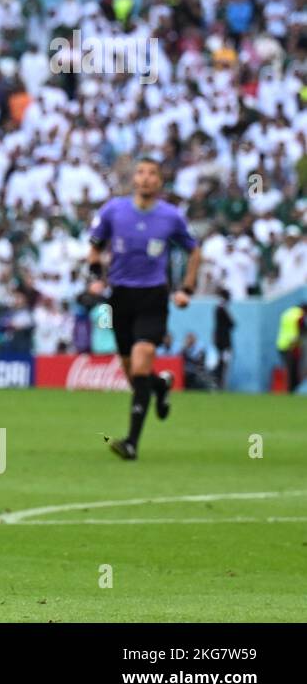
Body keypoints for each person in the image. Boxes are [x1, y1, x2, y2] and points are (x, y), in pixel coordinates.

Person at [87, 158, 201, 459]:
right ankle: (160, 385)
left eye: (153, 173)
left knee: (139, 364)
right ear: (134, 178)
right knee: (133, 376)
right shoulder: (114, 210)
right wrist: (97, 278)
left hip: (153, 298)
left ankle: (132, 444)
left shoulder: (171, 217)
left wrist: (187, 289)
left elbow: (194, 249)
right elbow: (95, 246)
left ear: (160, 181)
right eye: (141, 172)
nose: (146, 178)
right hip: (120, 299)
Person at [276, 303, 304, 393]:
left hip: (282, 344)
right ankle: (291, 390)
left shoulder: (287, 313)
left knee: (289, 369)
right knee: (293, 369)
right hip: (292, 345)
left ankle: (291, 390)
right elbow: (301, 330)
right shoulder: (300, 315)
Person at [213, 289, 235, 389]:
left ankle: (220, 383)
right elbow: (232, 323)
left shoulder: (218, 308)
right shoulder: (222, 309)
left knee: (222, 362)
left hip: (220, 341)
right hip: (224, 342)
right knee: (223, 363)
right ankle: (220, 383)